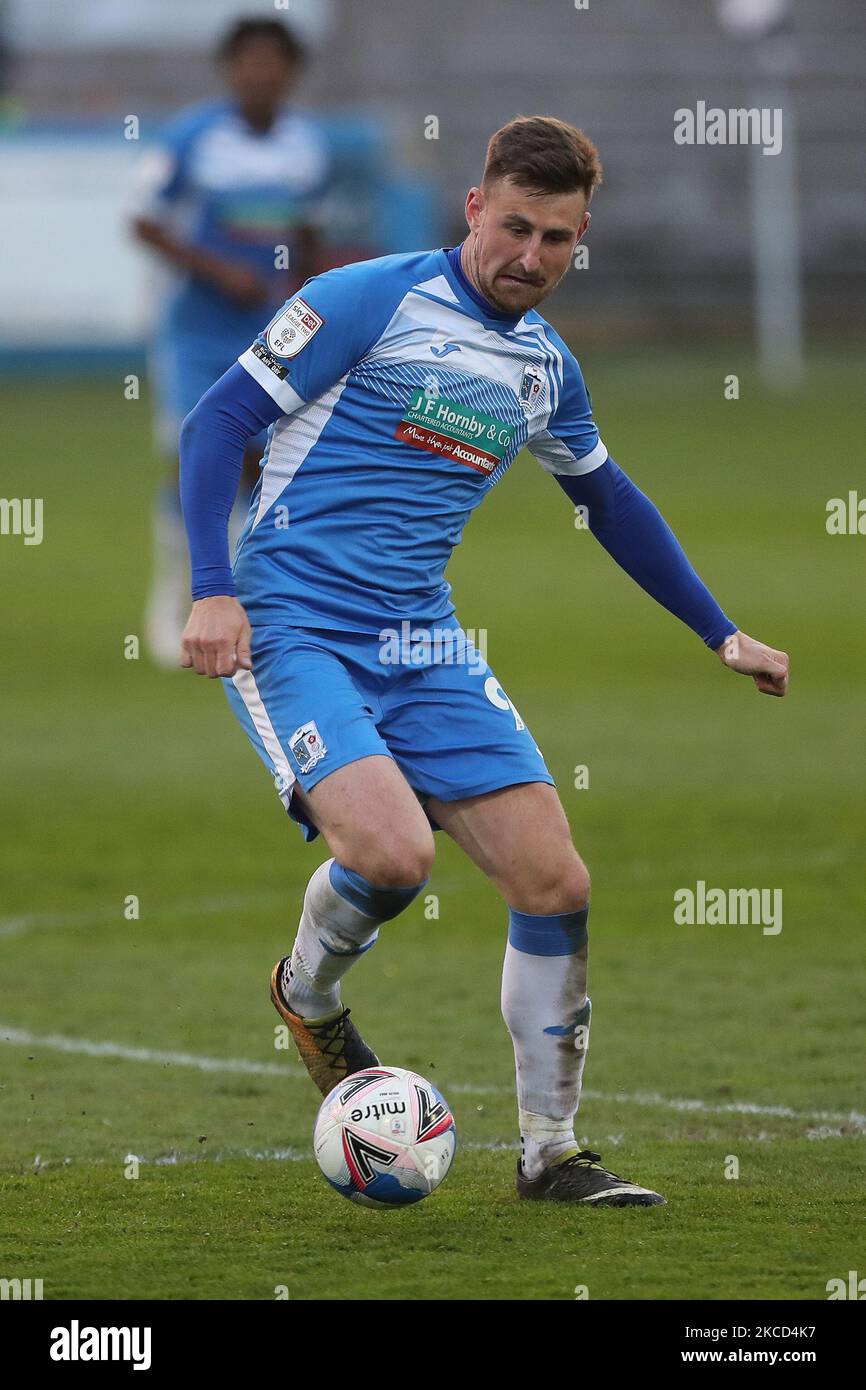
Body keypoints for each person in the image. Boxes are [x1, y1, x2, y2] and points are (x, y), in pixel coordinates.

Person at [178, 116, 789, 1205]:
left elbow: (606, 498)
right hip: (294, 623)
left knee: (555, 881)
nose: (529, 258)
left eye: (556, 240)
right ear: (473, 208)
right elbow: (216, 422)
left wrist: (719, 630)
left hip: (420, 637)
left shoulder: (543, 366)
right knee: (393, 857)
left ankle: (549, 1150)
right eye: (514, 228)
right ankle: (308, 996)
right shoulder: (365, 300)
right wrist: (212, 589)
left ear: (578, 237)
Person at [131, 15, 329, 665]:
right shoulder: (195, 138)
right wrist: (217, 271)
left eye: (275, 62)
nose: (262, 74)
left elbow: (309, 235)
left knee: (265, 465)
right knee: (197, 458)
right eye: (249, 61)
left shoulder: (307, 146)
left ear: (293, 73)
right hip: (199, 333)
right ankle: (174, 602)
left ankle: (246, 606)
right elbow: (144, 221)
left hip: (271, 335)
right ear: (229, 69)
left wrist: (315, 293)